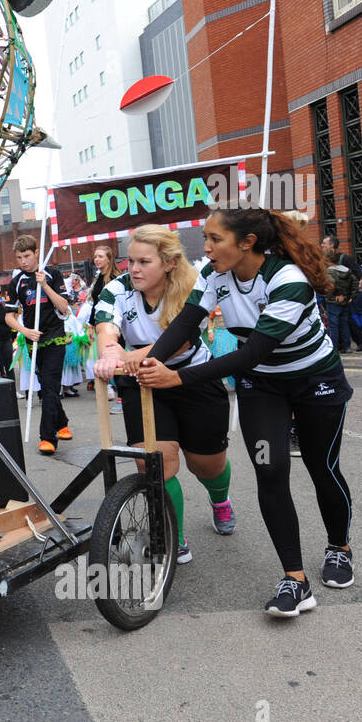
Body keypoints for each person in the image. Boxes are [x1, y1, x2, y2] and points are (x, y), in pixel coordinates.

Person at [137, 206, 354, 618]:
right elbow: (186, 323)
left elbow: (253, 350)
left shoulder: (288, 280)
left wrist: (178, 379)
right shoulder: (215, 275)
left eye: (215, 239)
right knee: (270, 470)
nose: (206, 247)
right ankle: (296, 579)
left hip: (315, 380)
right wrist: (155, 361)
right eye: (206, 238)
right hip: (262, 384)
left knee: (321, 466)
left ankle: (339, 547)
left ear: (247, 243)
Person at [93, 225, 235, 564]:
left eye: (144, 262)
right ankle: (174, 536)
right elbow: (106, 330)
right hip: (142, 384)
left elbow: (179, 343)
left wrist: (125, 356)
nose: (134, 269)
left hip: (191, 379)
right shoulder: (116, 289)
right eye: (130, 261)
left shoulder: (192, 287)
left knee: (207, 465)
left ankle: (220, 499)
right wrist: (110, 352)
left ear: (169, 263)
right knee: (155, 464)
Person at [5, 235, 72, 455]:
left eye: (27, 256)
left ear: (36, 253)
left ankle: (48, 437)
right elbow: (9, 316)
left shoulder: (52, 274)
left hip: (55, 339)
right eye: (19, 257)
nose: (23, 261)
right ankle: (62, 423)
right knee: (46, 385)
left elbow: (64, 307)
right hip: (34, 341)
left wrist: (44, 284)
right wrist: (24, 331)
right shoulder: (17, 282)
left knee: (50, 387)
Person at [88, 245, 123, 413]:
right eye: (95, 256)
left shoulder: (116, 278)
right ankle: (113, 390)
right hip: (101, 324)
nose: (97, 259)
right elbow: (96, 305)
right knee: (106, 358)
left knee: (116, 358)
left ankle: (122, 398)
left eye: (100, 256)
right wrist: (91, 324)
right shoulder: (99, 279)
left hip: (114, 325)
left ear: (109, 258)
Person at [320, 235, 362, 350]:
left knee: (346, 321)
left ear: (332, 245)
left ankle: (360, 342)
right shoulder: (324, 260)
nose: (322, 245)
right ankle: (344, 345)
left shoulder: (344, 259)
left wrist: (350, 295)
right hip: (330, 297)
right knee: (341, 321)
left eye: (324, 243)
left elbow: (357, 275)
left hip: (343, 297)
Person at [323, 248, 359, 352]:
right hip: (346, 301)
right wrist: (351, 296)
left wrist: (338, 294)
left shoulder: (329, 271)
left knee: (334, 325)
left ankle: (334, 347)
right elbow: (355, 282)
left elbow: (331, 284)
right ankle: (346, 347)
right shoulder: (346, 270)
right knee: (344, 324)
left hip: (333, 301)